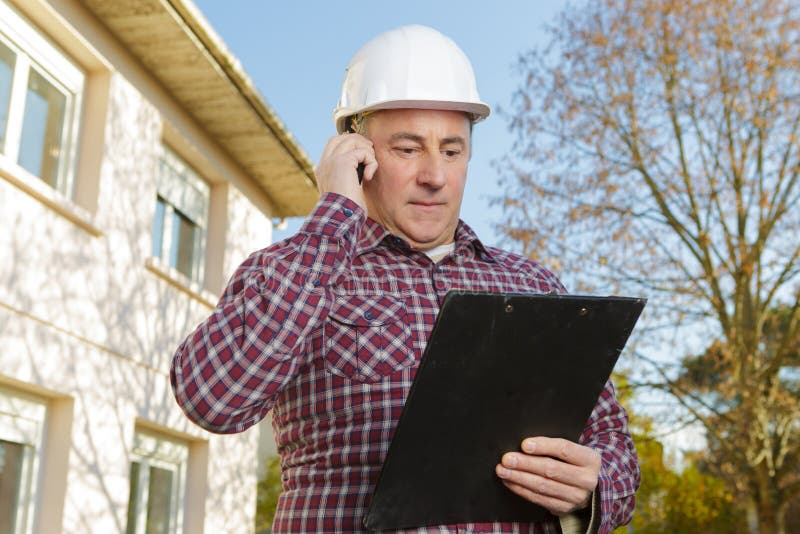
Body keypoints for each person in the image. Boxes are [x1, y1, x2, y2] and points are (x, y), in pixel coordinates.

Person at [170, 25, 639, 534]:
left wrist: (590, 491)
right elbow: (213, 400)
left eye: (452, 151)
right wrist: (334, 217)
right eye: (409, 149)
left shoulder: (534, 286)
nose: (435, 175)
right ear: (356, 153)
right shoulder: (292, 271)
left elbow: (612, 442)